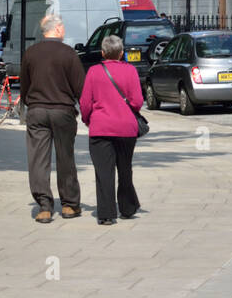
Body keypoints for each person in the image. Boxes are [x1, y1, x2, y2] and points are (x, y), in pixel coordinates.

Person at [19, 14, 86, 223]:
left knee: (38, 159)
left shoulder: (31, 53)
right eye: (63, 26)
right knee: (65, 157)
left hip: (37, 110)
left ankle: (44, 206)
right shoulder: (69, 54)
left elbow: (24, 85)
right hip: (62, 111)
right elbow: (80, 88)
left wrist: (32, 104)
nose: (64, 29)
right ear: (57, 29)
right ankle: (69, 204)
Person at [79, 34, 143, 225]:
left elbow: (85, 103)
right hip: (126, 128)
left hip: (101, 128)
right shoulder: (131, 71)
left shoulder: (93, 72)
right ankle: (127, 207)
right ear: (122, 53)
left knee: (104, 172)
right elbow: (138, 102)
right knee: (125, 169)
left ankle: (107, 214)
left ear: (103, 53)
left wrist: (87, 119)